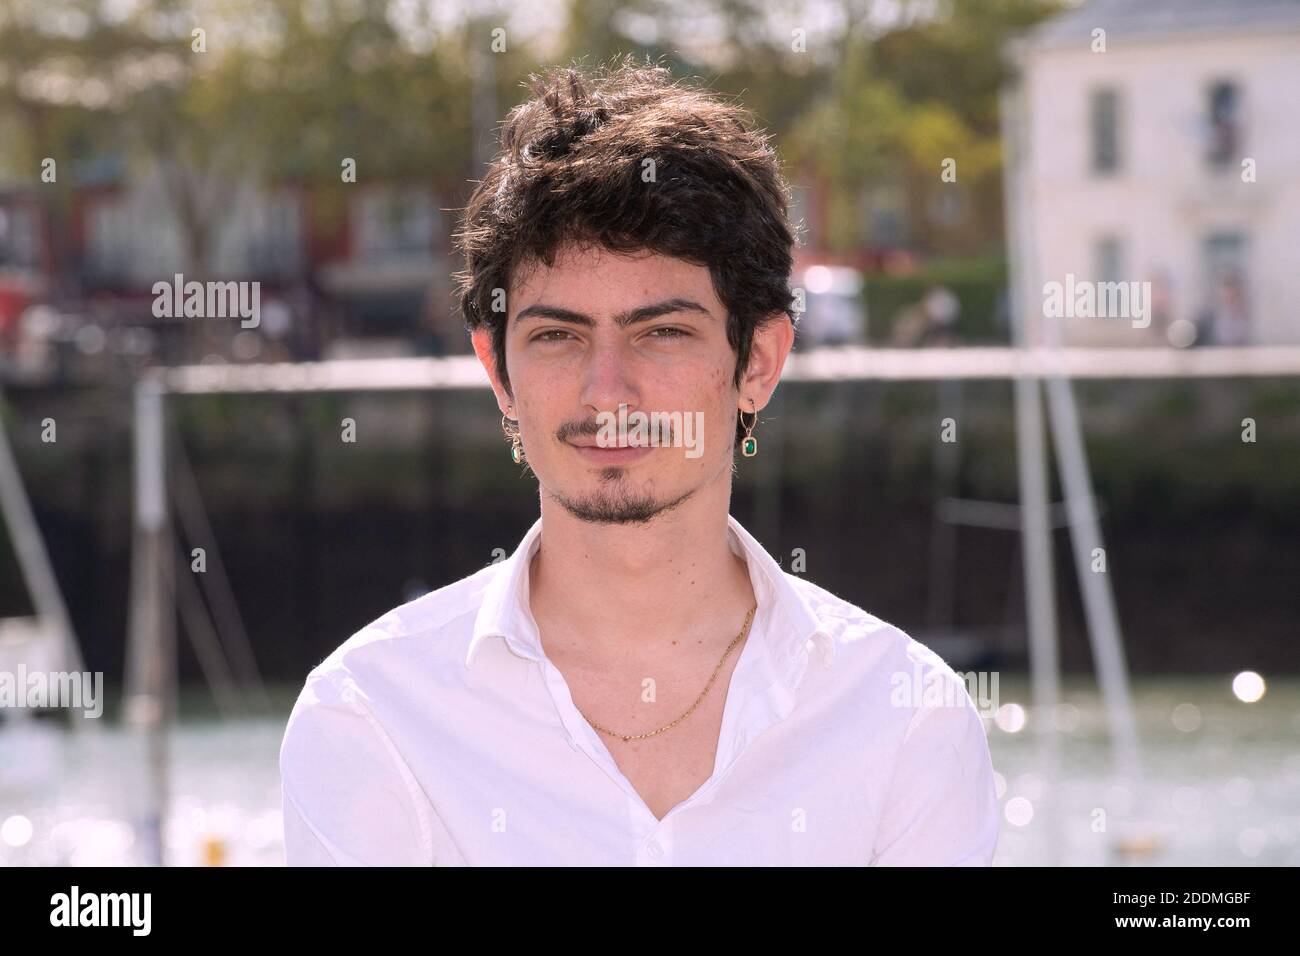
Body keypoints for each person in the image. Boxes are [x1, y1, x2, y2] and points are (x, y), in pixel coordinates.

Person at [279, 58, 999, 866]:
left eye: (662, 333)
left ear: (759, 362)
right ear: (498, 371)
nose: (607, 391)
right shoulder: (372, 719)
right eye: (558, 335)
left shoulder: (904, 721)